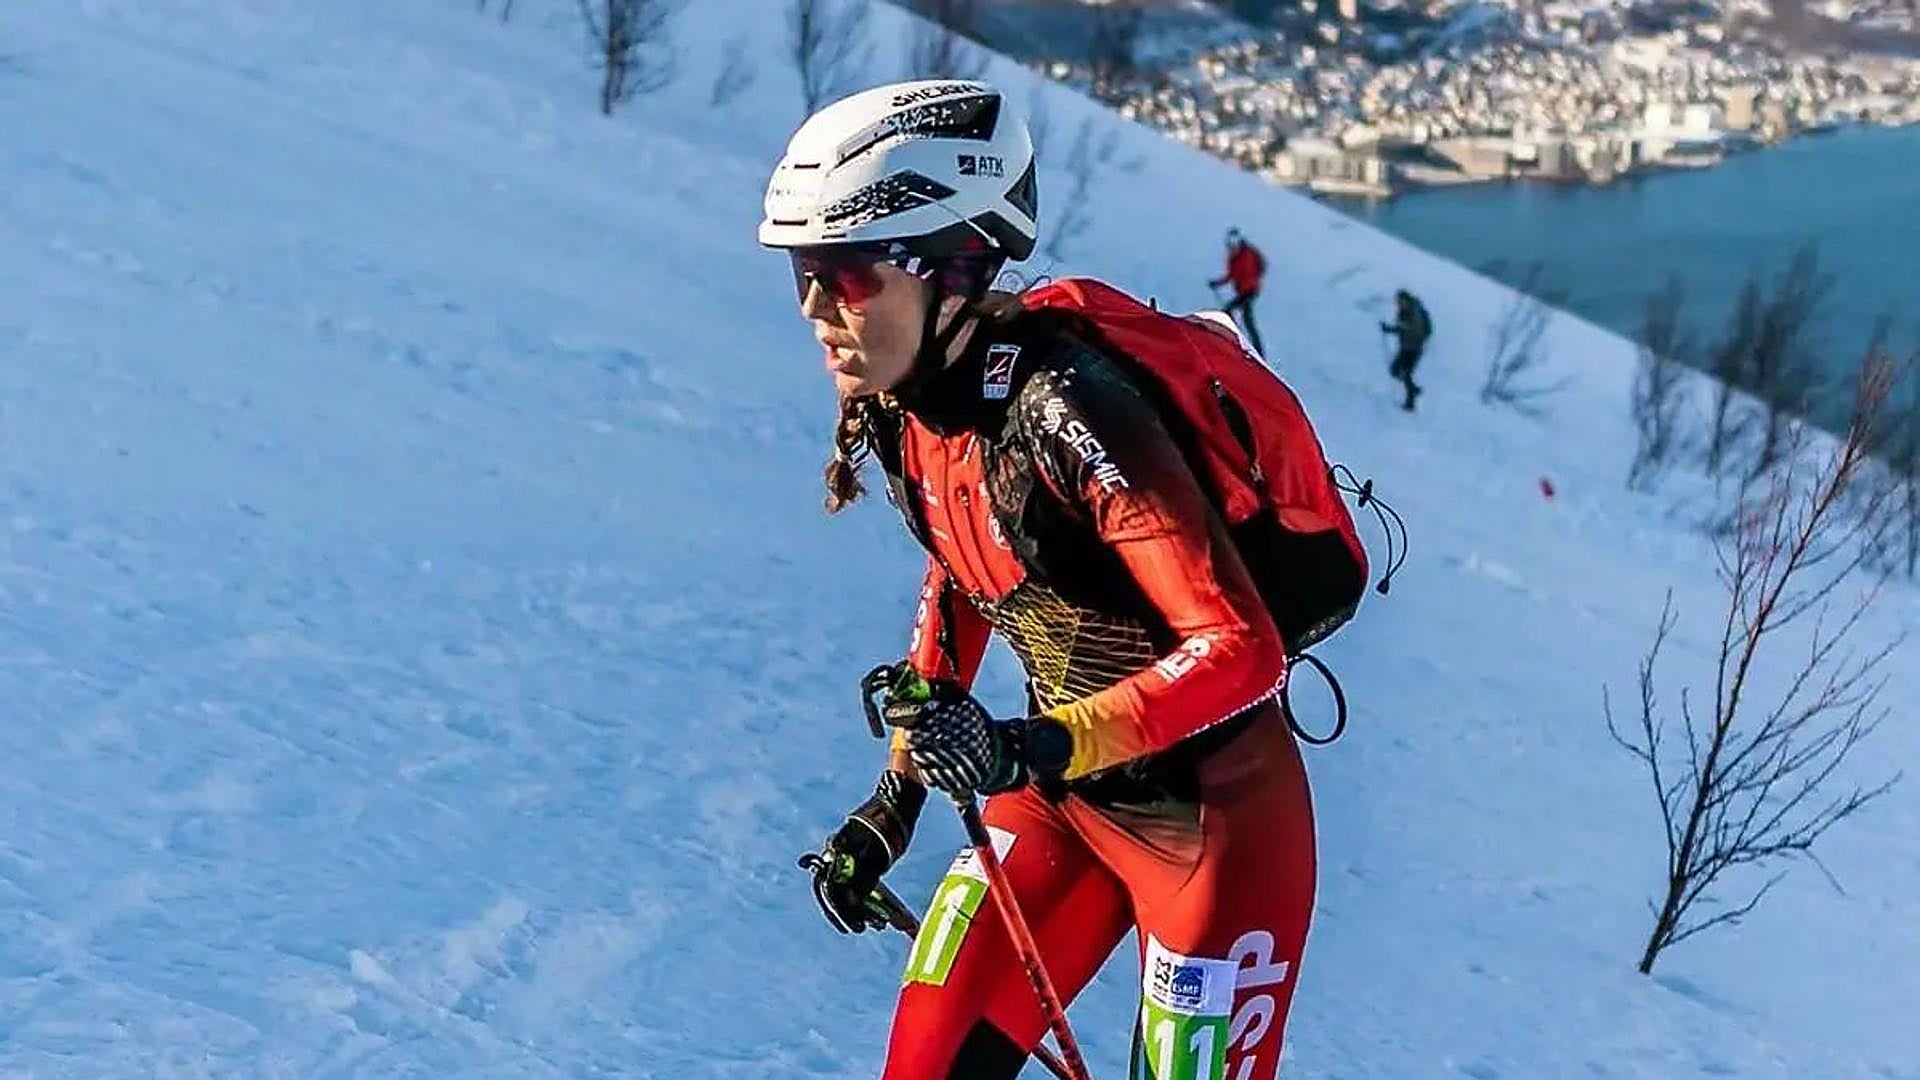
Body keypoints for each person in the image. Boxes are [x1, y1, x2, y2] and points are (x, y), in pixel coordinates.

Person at [762, 80, 1316, 1080]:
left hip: (1215, 833)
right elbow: (968, 575)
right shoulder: (904, 405)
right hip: (1056, 800)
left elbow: (1242, 650)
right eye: (802, 269)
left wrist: (1026, 745)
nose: (813, 307)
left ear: (945, 269)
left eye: (844, 274)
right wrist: (890, 810)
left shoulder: (1072, 413)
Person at [1209, 228, 1267, 357]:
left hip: (1250, 291)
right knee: (1231, 313)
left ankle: (1257, 352)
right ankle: (1238, 342)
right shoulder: (1232, 258)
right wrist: (1217, 283)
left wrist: (1253, 281)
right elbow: (1230, 276)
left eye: (1233, 246)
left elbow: (1254, 270)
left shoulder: (1247, 254)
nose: (1231, 248)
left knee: (1245, 318)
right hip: (1243, 292)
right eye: (1229, 246)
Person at [1380, 289, 1432, 411]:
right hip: (1406, 347)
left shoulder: (1414, 312)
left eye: (1400, 301)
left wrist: (1399, 327)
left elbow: (1412, 328)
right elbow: (1401, 328)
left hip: (1415, 348)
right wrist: (1389, 329)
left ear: (1406, 300)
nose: (1398, 304)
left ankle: (1410, 403)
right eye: (1397, 302)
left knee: (1405, 372)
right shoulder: (1404, 311)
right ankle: (1413, 388)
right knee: (1394, 370)